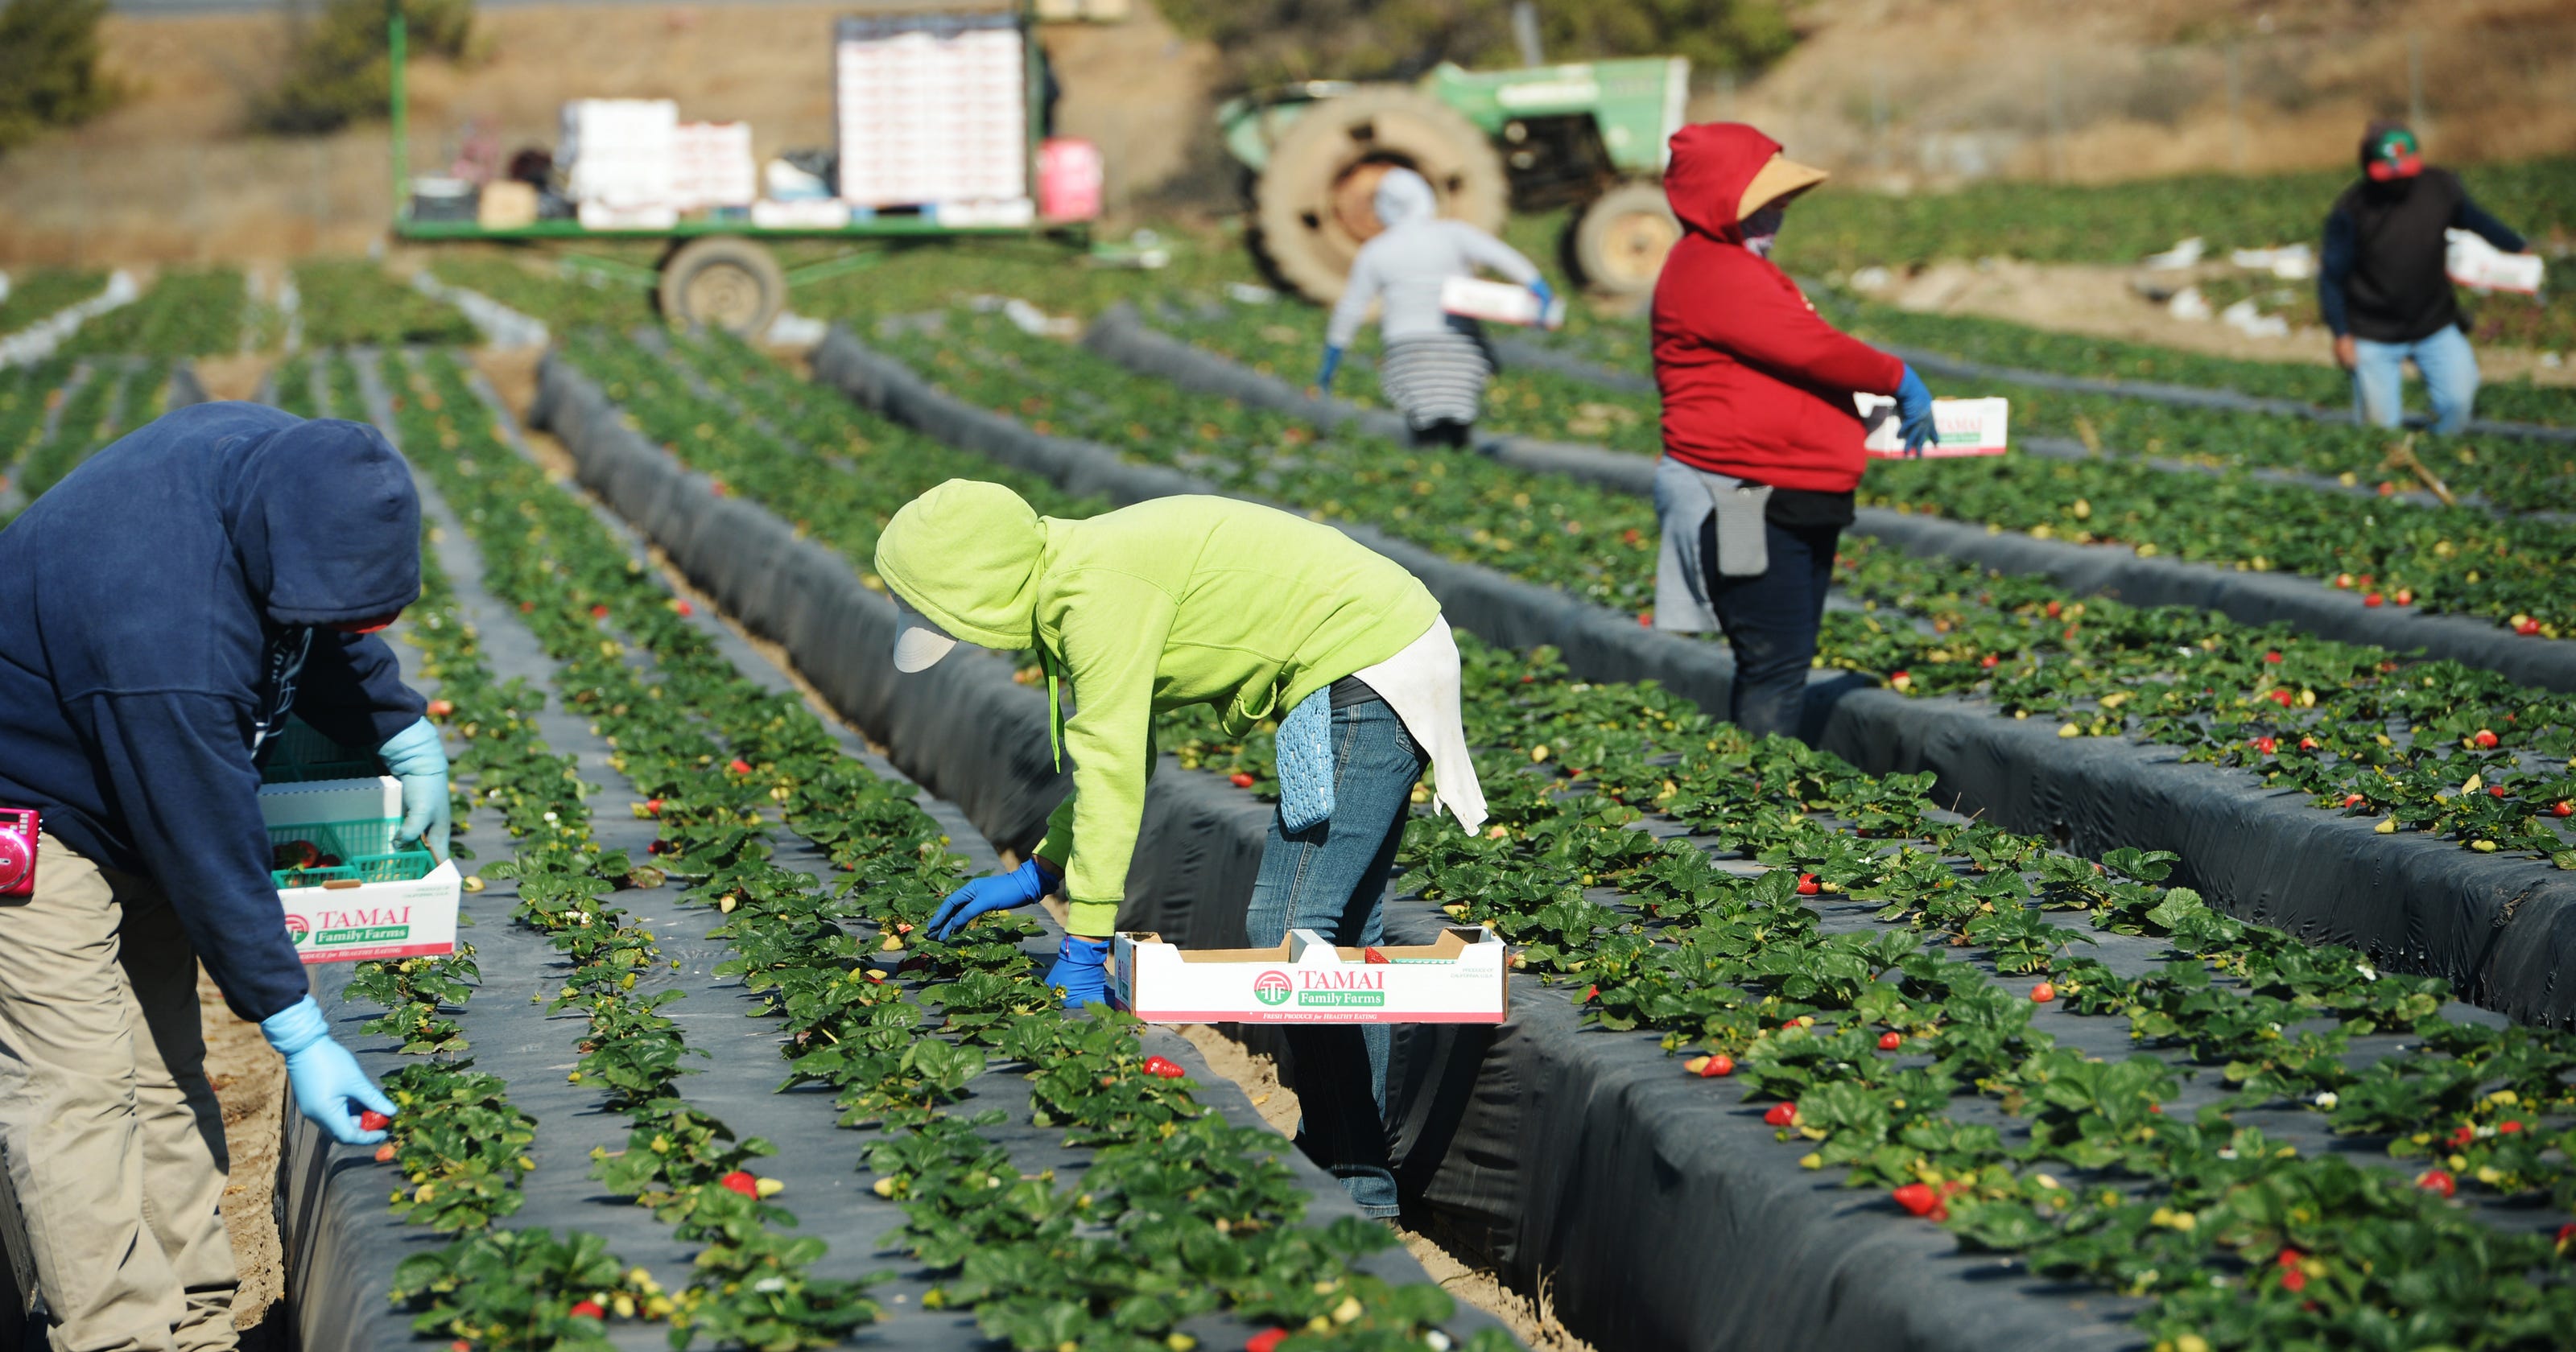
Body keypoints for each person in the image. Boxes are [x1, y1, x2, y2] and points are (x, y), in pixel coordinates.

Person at [877, 480, 1485, 1218]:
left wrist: (1085, 939)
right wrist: (1045, 868)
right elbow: (1122, 758)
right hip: (1370, 656)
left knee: (1292, 930)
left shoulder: (1097, 595)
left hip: (1366, 664)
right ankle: (1345, 1153)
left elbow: (1109, 772)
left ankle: (1357, 1175)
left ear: (978, 589)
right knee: (1341, 937)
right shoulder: (1078, 575)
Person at [0, 403, 449, 1352]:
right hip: (30, 805)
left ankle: (201, 1317)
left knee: (164, 1065)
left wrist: (397, 723)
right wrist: (298, 1028)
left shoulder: (277, 464)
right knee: (76, 1084)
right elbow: (208, 845)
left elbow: (319, 624)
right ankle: (122, 1337)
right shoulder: (168, 637)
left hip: (125, 777)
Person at [1649, 122, 1934, 739]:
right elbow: (1809, 349)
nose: (1777, 212)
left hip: (1794, 496)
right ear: (1721, 200)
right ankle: (1760, 796)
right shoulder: (1710, 269)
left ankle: (1764, 781)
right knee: (1773, 660)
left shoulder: (1737, 268)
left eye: (1779, 201)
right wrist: (1896, 376)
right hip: (1744, 499)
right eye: (1762, 201)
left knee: (1784, 655)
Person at [1318, 167, 1552, 448]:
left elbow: (1351, 308)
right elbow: (1503, 257)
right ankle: (1459, 465)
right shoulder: (1452, 234)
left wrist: (1333, 354)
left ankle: (1427, 469)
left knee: (1422, 422)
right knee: (1459, 420)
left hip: (1406, 348)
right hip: (1458, 343)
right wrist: (1537, 287)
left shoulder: (1375, 250)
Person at [2320, 122, 2529, 434]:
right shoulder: (2352, 210)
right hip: (2372, 332)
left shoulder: (2440, 189)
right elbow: (2332, 277)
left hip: (2434, 323)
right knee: (2380, 429)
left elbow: (2476, 220)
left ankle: (2436, 461)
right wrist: (2341, 334)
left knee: (2458, 402)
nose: (2398, 182)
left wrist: (2518, 247)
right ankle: (2392, 473)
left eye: (2404, 172)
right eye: (2388, 175)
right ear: (2368, 168)